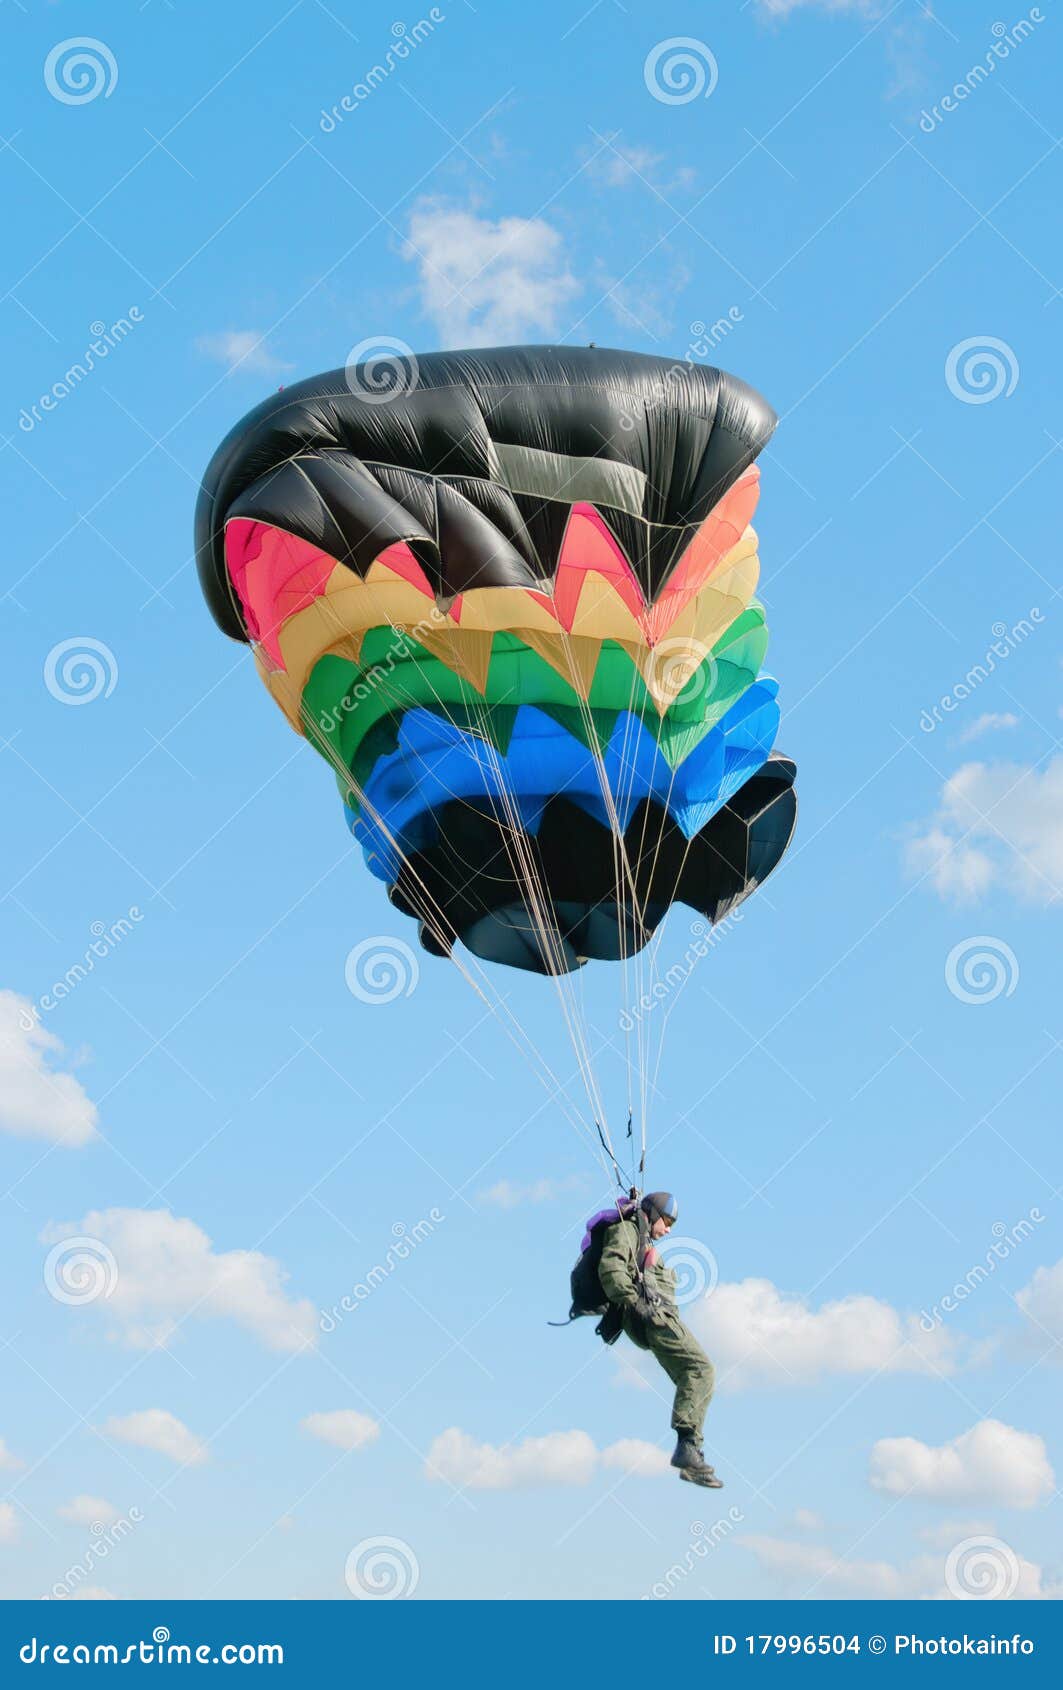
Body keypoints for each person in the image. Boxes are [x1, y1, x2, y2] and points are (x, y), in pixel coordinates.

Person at [597, 1191, 720, 1487]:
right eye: (666, 1221)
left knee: (690, 1375)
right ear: (652, 1214)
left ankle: (689, 1451)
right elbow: (611, 1266)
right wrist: (634, 1302)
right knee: (700, 1370)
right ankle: (687, 1447)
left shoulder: (640, 1235)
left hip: (653, 1317)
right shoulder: (628, 1229)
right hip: (652, 1315)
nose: (668, 1230)